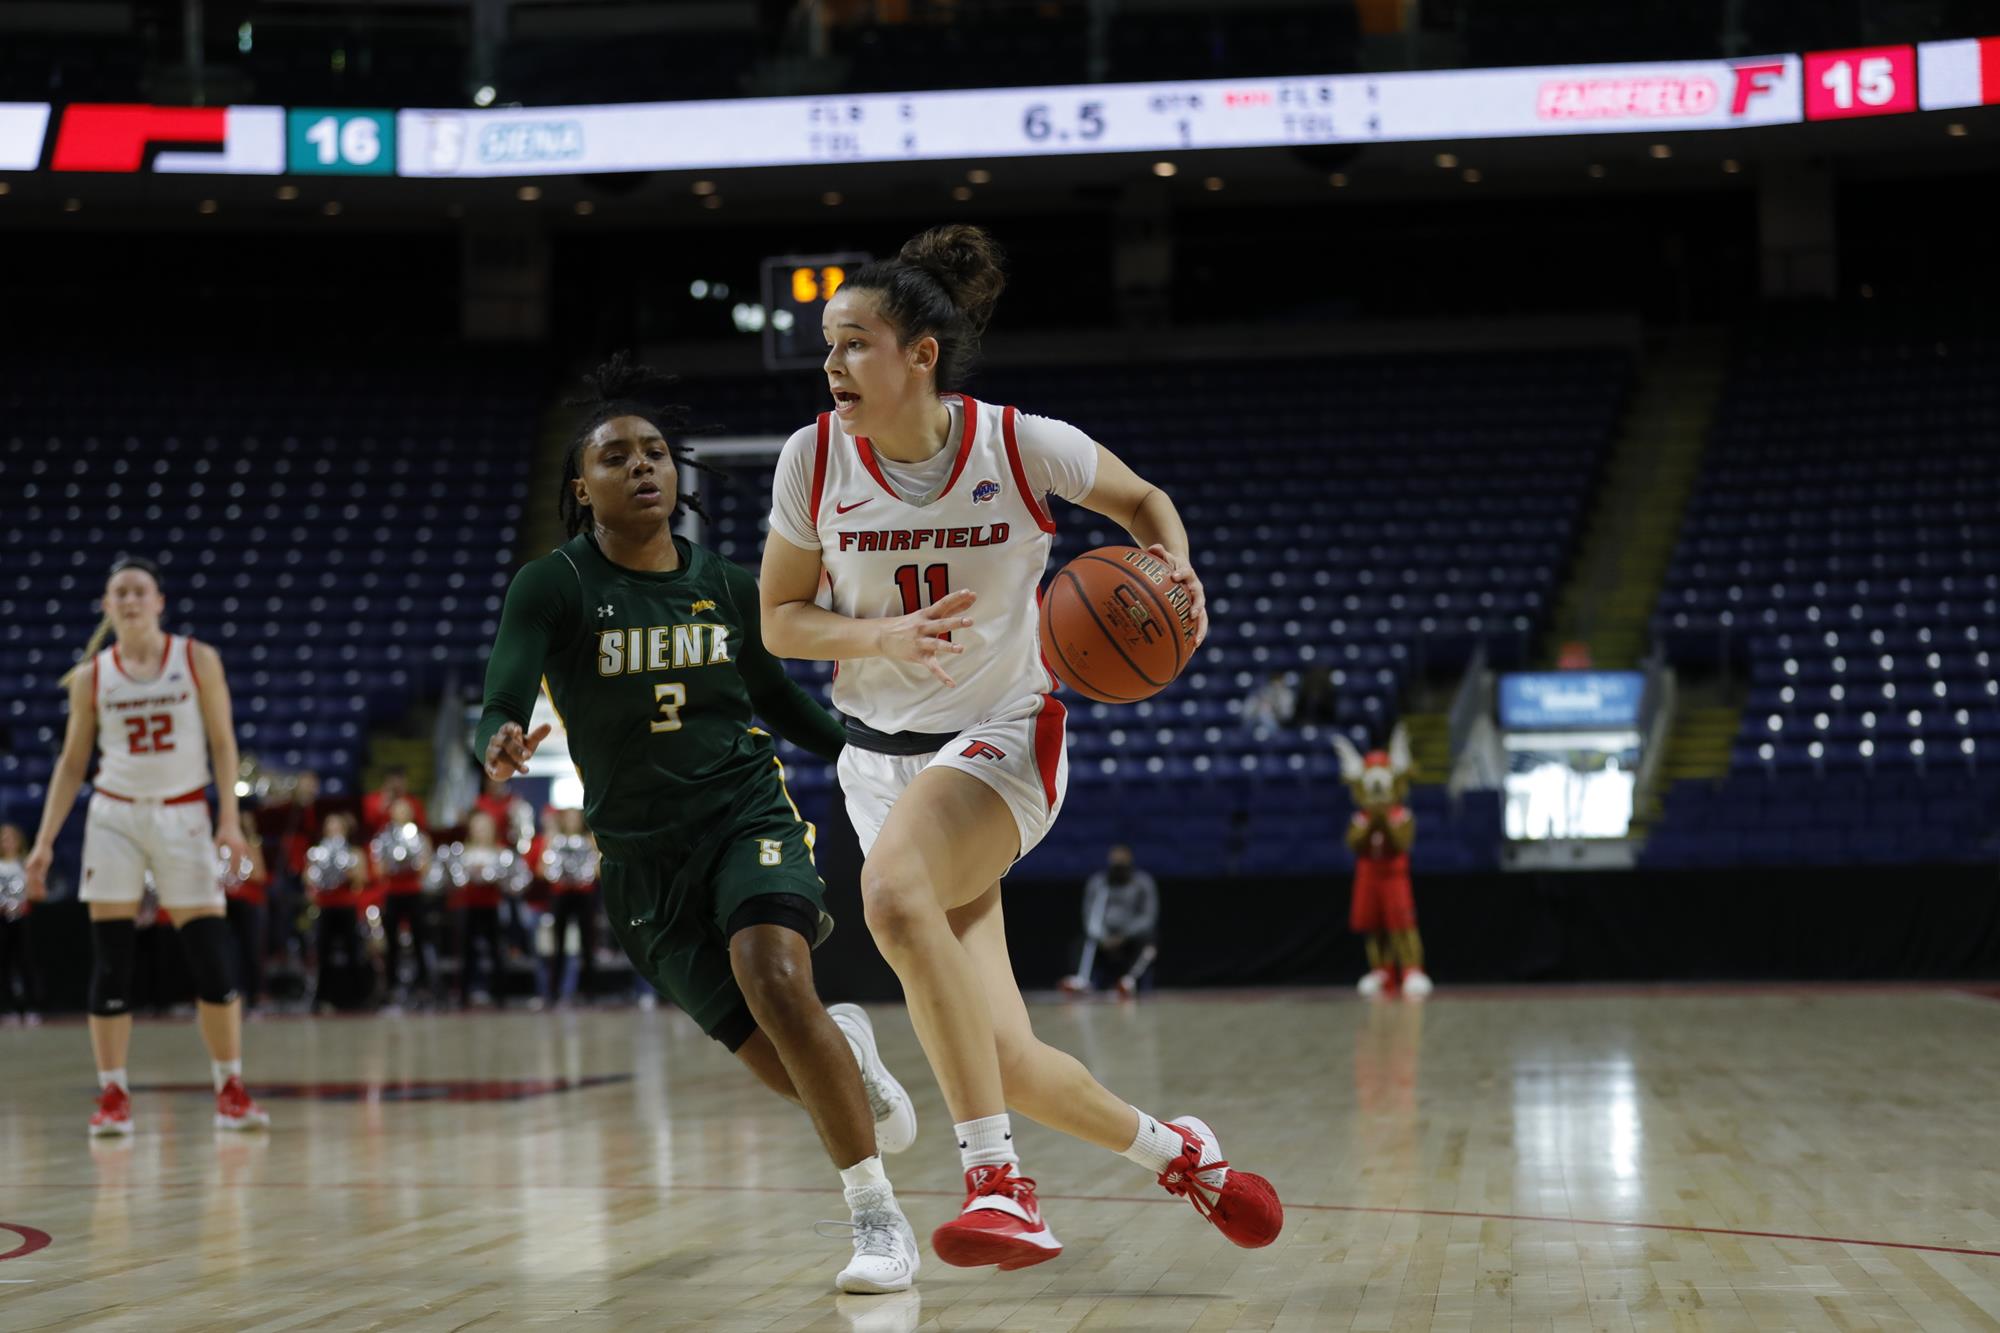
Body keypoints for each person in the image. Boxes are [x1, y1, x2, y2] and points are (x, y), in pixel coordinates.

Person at [759, 224, 1283, 1271]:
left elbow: (1140, 503)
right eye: (826, 346)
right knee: (996, 1053)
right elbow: (778, 619)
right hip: (875, 764)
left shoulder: (1019, 445)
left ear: (921, 355)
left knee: (895, 900)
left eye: (854, 343)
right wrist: (877, 636)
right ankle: (1185, 1157)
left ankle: (999, 1184)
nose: (832, 366)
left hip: (998, 740)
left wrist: (1174, 574)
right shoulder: (812, 458)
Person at [473, 355, 924, 1294]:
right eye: (616, 456)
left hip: (743, 815)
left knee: (770, 970)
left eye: (656, 453)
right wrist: (500, 734)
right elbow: (505, 686)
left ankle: (878, 1218)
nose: (643, 467)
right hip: (641, 863)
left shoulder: (728, 582)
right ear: (581, 486)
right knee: (783, 1058)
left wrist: (877, 748)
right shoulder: (550, 587)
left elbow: (784, 703)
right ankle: (842, 1043)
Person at [21, 556, 270, 1134]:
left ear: (160, 601)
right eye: (120, 594)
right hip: (115, 817)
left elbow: (223, 743)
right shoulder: (92, 677)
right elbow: (73, 763)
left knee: (211, 953)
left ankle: (230, 1084)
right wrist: (44, 842)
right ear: (108, 607)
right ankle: (113, 1094)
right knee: (112, 958)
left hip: (184, 813)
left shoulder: (196, 658)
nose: (130, 601)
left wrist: (229, 821)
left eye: (139, 591)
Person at [1335, 726, 1432, 999]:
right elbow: (1353, 843)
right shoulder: (1361, 819)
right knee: (1373, 925)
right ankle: (1382, 970)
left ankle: (1412, 969)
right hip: (1368, 876)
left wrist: (1383, 822)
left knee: (1402, 924)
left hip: (1394, 877)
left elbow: (1402, 842)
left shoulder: (1402, 815)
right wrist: (1371, 824)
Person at [1062, 845, 1159, 1000]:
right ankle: (1082, 979)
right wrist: (1103, 937)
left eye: (1122, 865)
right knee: (1081, 942)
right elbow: (1090, 915)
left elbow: (1148, 917)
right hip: (1103, 938)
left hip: (1130, 937)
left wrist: (1124, 935)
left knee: (1149, 944)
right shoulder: (1098, 883)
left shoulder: (1143, 883)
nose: (1118, 869)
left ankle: (1129, 981)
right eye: (1115, 864)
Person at [369, 795, 434, 1006]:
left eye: (406, 809)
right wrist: (397, 863)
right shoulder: (383, 838)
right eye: (398, 809)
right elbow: (379, 870)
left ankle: (424, 985)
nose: (402, 813)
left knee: (420, 939)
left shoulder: (421, 838)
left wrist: (410, 863)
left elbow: (426, 868)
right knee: (392, 943)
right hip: (392, 894)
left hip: (414, 893)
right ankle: (391, 986)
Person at [305, 812, 370, 1012]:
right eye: (329, 826)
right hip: (325, 906)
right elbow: (307, 879)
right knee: (323, 952)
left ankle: (357, 998)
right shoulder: (316, 852)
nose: (333, 830)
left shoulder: (354, 852)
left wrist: (349, 872)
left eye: (337, 826)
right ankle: (322, 997)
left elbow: (362, 879)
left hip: (346, 906)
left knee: (353, 951)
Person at [538, 807, 600, 1008]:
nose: (572, 821)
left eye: (576, 817)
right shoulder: (554, 841)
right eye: (569, 817)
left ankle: (590, 991)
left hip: (584, 895)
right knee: (558, 944)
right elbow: (542, 869)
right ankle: (554, 992)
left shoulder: (591, 839)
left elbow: (599, 869)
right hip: (560, 895)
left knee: (587, 944)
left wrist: (583, 874)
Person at [221, 808, 270, 1013]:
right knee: (226, 949)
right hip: (226, 902)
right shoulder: (222, 847)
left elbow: (260, 875)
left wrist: (240, 872)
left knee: (250, 946)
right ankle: (230, 992)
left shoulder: (252, 846)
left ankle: (254, 994)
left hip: (248, 902)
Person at [0, 822, 39, 1025]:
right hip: (2, 919)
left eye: (12, 838)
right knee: (4, 964)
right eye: (4, 838)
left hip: (22, 918)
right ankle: (8, 1009)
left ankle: (31, 1008)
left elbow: (36, 891)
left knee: (25, 962)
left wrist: (25, 902)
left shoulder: (25, 864)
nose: (8, 842)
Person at [361, 765, 427, 838]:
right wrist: (384, 805)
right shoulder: (372, 799)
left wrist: (409, 814)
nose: (397, 785)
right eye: (393, 781)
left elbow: (422, 827)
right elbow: (367, 825)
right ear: (386, 781)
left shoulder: (413, 802)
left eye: (400, 780)